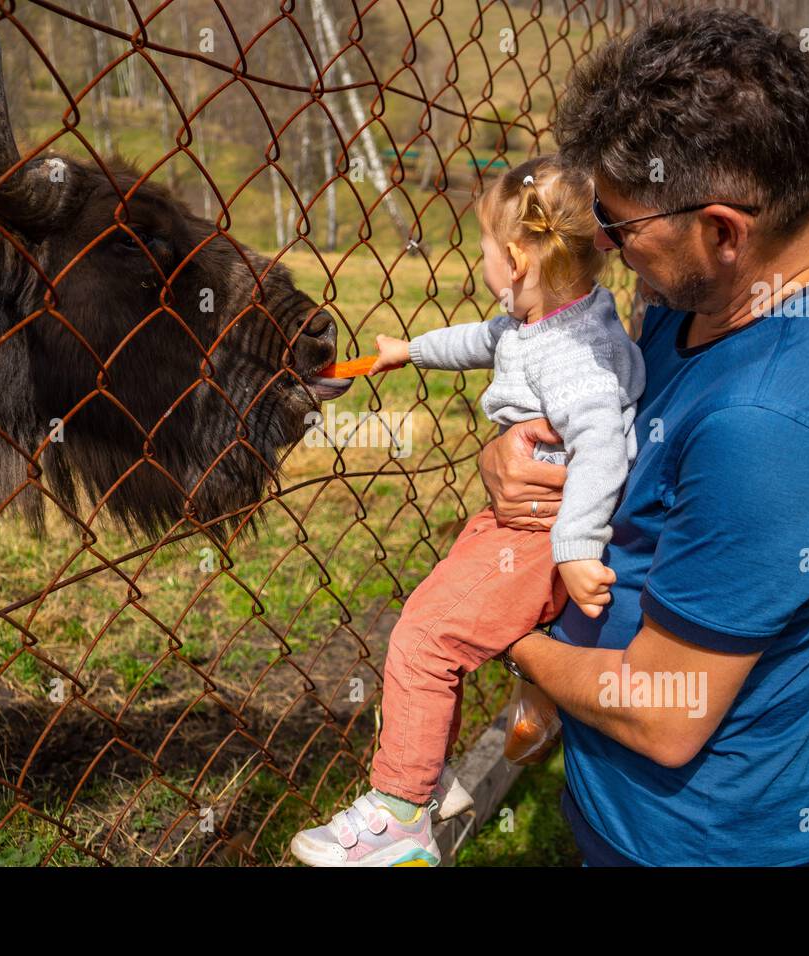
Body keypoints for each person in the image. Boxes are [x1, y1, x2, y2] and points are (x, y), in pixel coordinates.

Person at [481, 8, 809, 865]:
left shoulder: (767, 427)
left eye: (620, 224)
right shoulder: (726, 298)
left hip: (692, 840)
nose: (599, 241)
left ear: (723, 230)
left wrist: (498, 631)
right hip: (647, 812)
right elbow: (655, 469)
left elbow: (664, 712)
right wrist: (525, 447)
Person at [289, 155, 644, 867]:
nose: (480, 261)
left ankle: (399, 818)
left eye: (482, 248)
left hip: (541, 535)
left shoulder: (573, 356)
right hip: (516, 528)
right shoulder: (552, 316)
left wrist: (576, 546)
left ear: (514, 257)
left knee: (423, 640)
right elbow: (481, 339)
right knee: (436, 624)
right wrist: (408, 352)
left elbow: (603, 443)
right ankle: (431, 775)